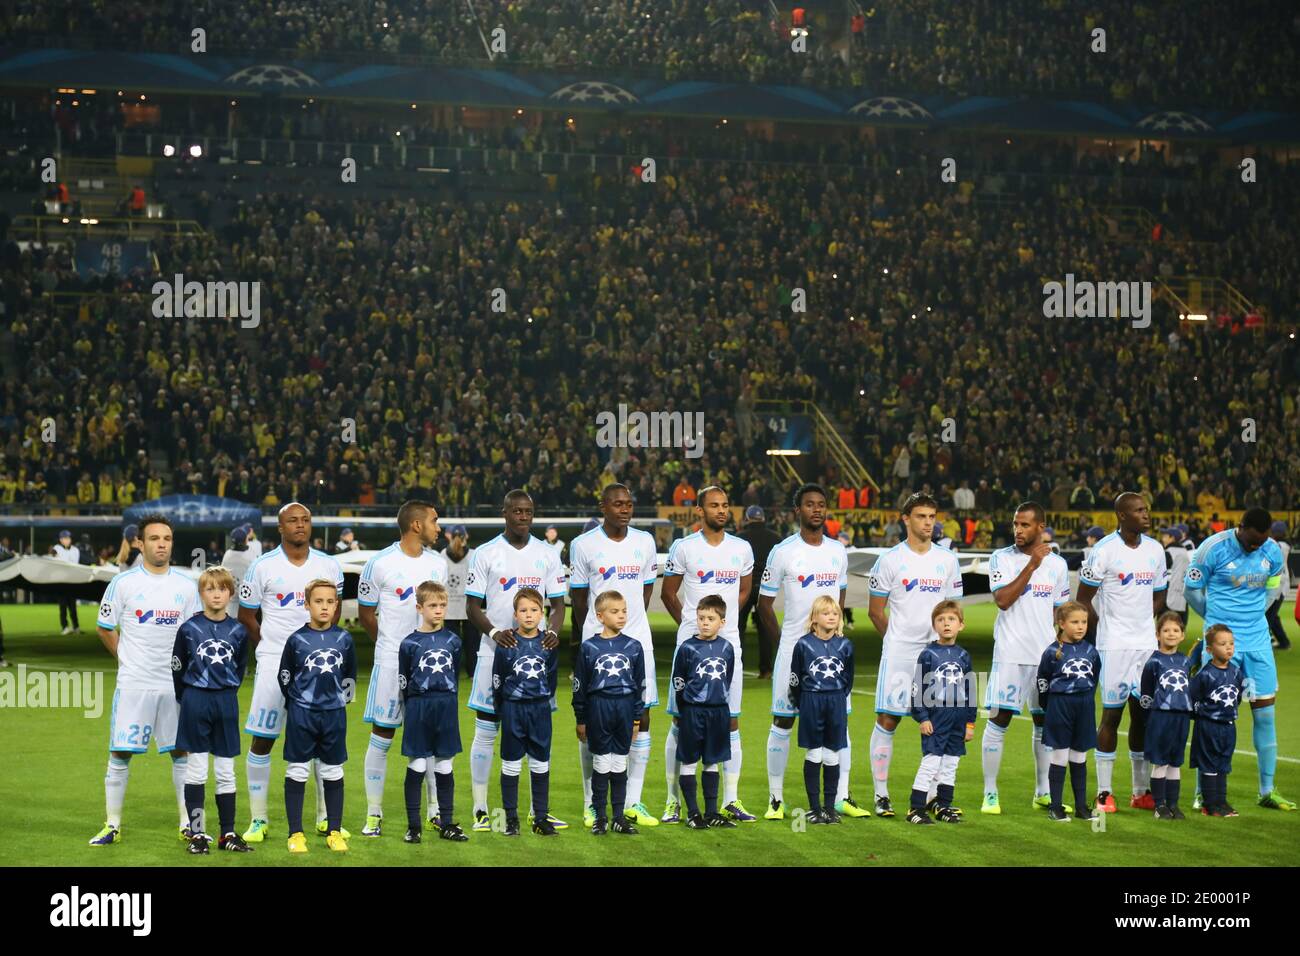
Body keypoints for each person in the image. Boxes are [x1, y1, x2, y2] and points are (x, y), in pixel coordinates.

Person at [90, 514, 202, 846]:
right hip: (134, 684)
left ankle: (187, 823)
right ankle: (112, 824)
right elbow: (104, 627)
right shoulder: (123, 584)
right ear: (140, 543)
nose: (162, 544)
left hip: (174, 686)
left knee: (181, 753)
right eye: (154, 538)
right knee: (120, 752)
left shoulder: (185, 586)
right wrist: (123, 657)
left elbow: (193, 634)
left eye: (166, 538)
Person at [237, 502, 345, 843]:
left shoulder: (328, 565)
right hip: (272, 663)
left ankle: (326, 819)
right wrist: (274, 648)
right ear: (280, 528)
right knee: (263, 738)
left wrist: (319, 645)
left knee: (320, 741)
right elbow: (246, 615)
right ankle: (258, 819)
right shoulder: (261, 566)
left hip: (319, 665)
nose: (300, 525)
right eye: (292, 521)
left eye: (306, 520)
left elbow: (335, 612)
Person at [464, 490, 566, 832]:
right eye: (517, 511)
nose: (523, 516)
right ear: (504, 512)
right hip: (493, 652)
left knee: (536, 735)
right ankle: (480, 808)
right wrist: (494, 633)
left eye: (529, 512)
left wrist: (551, 631)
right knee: (487, 729)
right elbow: (472, 607)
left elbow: (559, 603)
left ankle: (539, 811)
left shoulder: (547, 554)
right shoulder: (486, 553)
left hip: (535, 660)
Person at [1184, 507, 1293, 811]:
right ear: (1240, 527)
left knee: (1265, 714)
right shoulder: (1212, 548)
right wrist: (1217, 622)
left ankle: (1267, 790)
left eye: (1261, 542)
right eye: (1250, 542)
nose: (1255, 547)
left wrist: (1255, 616)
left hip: (1257, 640)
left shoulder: (1271, 551)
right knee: (1210, 716)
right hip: (1220, 641)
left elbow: (1273, 590)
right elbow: (1190, 590)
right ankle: (1202, 792)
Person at [759, 484, 855, 819]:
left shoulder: (837, 552)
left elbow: (839, 600)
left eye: (821, 505)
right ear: (797, 510)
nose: (816, 510)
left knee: (838, 722)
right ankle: (775, 798)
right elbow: (764, 606)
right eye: (809, 505)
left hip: (830, 654)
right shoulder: (782, 551)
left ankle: (841, 797)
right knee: (783, 720)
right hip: (793, 652)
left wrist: (831, 635)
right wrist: (789, 643)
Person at [660, 485, 755, 823]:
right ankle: (672, 801)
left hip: (729, 646)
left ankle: (731, 799)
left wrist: (722, 627)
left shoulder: (742, 548)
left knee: (730, 720)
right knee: (679, 720)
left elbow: (744, 590)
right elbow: (668, 593)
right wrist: (691, 625)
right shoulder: (684, 547)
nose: (721, 510)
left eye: (725, 505)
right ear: (699, 510)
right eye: (714, 505)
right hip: (691, 646)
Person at [568, 483, 659, 828]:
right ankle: (592, 804)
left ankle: (632, 802)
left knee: (643, 715)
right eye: (618, 503)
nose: (625, 508)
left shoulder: (645, 542)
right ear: (603, 506)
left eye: (629, 503)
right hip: (598, 643)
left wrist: (629, 624)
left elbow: (645, 590)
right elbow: (578, 598)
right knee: (593, 720)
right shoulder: (583, 544)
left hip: (638, 640)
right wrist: (592, 633)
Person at [866, 492, 963, 817]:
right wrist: (896, 640)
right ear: (906, 519)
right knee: (888, 719)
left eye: (932, 517)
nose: (927, 523)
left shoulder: (947, 561)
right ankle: (881, 795)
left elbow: (952, 610)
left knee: (939, 724)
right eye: (921, 516)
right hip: (900, 655)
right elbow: (876, 611)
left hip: (938, 658)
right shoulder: (891, 560)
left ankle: (934, 795)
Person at [356, 500, 448, 837]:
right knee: (382, 735)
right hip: (391, 662)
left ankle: (436, 813)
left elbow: (437, 613)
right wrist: (393, 646)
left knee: (432, 740)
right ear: (416, 525)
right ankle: (373, 814)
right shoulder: (379, 563)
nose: (439, 527)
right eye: (435, 521)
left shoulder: (437, 565)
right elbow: (367, 613)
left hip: (430, 665)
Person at [1076, 492, 1167, 813]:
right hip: (1113, 647)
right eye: (1139, 510)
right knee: (1111, 716)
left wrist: (1142, 621)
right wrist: (1108, 628)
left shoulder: (1156, 550)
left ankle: (1140, 791)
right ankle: (1104, 793)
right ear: (1122, 516)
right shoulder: (1104, 551)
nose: (1146, 514)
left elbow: (1159, 596)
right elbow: (1083, 600)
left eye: (1147, 509)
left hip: (1145, 647)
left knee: (1143, 717)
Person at [981, 503, 1072, 815]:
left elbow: (1061, 611)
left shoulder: (1058, 565)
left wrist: (1062, 648)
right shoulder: (1001, 558)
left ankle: (1042, 791)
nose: (1018, 530)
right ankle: (990, 792)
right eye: (1015, 524)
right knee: (998, 719)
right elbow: (1003, 600)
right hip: (1009, 652)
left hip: (1045, 656)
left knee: (1043, 723)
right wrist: (1032, 565)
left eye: (1025, 525)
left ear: (1041, 527)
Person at [171, 566, 252, 854]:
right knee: (196, 769)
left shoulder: (238, 630)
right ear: (201, 593)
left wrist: (225, 690)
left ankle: (227, 833)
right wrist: (189, 698)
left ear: (231, 594)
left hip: (226, 701)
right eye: (210, 588)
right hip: (195, 700)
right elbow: (177, 667)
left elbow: (241, 666)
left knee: (226, 770)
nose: (216, 594)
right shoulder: (189, 629)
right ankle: (197, 834)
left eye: (222, 589)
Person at [278, 578, 357, 853]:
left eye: (330, 602)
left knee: (333, 770)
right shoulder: (296, 640)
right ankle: (295, 833)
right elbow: (285, 677)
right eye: (318, 601)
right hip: (302, 713)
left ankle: (334, 831)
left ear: (337, 605)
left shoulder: (344, 638)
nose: (324, 607)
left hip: (334, 714)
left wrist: (337, 703)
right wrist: (299, 704)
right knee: (298, 770)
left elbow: (349, 677)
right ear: (307, 603)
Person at [397, 581, 467, 843]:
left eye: (442, 606)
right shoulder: (409, 643)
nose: (438, 611)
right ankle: (413, 826)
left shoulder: (453, 640)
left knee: (445, 765)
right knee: (416, 764)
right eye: (432, 606)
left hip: (446, 706)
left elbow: (455, 674)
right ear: (419, 607)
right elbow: (404, 680)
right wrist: (411, 708)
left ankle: (447, 823)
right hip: (418, 707)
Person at [573, 589, 646, 835]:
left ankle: (618, 817)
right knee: (602, 762)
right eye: (615, 612)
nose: (621, 616)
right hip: (599, 708)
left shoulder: (634, 646)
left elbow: (640, 686)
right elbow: (580, 687)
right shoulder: (589, 647)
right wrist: (581, 719)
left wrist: (637, 718)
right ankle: (599, 816)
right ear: (600, 616)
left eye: (624, 611)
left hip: (624, 708)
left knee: (619, 762)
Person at [492, 587, 560, 837]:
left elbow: (551, 679)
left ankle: (540, 818)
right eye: (523, 610)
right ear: (515, 614)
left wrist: (540, 700)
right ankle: (509, 819)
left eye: (534, 610)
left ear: (542, 613)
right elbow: (497, 680)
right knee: (510, 764)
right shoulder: (506, 643)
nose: (529, 615)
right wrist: (504, 709)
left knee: (540, 763)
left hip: (540, 710)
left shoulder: (548, 644)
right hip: (513, 709)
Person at [670, 593, 737, 830]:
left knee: (712, 762)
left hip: (718, 712)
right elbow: (678, 681)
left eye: (710, 618)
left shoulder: (727, 648)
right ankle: (693, 813)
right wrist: (685, 708)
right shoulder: (687, 647)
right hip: (693, 712)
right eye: (701, 618)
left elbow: (726, 679)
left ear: (722, 622)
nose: (705, 622)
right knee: (689, 761)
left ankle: (711, 812)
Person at [788, 595, 854, 825]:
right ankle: (814, 808)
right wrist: (805, 702)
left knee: (832, 754)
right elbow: (795, 679)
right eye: (826, 613)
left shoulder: (845, 645)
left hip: (835, 702)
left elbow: (848, 679)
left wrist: (836, 697)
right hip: (810, 701)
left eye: (835, 613)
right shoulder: (804, 644)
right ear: (814, 618)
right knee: (814, 753)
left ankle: (829, 808)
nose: (832, 617)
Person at [908, 600, 974, 825]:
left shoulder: (963, 656)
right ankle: (915, 809)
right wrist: (923, 717)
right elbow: (918, 688)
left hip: (958, 717)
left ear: (961, 625)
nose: (946, 624)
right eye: (941, 620)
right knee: (931, 763)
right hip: (936, 716)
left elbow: (970, 690)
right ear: (934, 625)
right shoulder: (928, 654)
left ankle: (943, 806)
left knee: (950, 765)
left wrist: (970, 723)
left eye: (951, 619)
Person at [1035, 602, 1101, 822]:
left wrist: (1086, 700)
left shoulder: (1091, 650)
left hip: (1084, 706)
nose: (1080, 626)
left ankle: (1081, 807)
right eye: (1075, 622)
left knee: (1080, 755)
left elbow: (1095, 677)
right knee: (1060, 755)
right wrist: (1050, 706)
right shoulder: (1052, 652)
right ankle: (1055, 807)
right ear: (1061, 623)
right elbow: (1042, 681)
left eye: (1084, 622)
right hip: (1059, 706)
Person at [1139, 612, 1194, 820]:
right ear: (1157, 634)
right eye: (1166, 630)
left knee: (1175, 762)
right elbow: (1146, 694)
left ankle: (1173, 804)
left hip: (1181, 717)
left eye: (1176, 630)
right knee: (1160, 761)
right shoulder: (1153, 662)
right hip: (1160, 717)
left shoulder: (1185, 661)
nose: (1171, 634)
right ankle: (1159, 805)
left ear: (1182, 635)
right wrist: (1150, 719)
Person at [1189, 624, 1246, 817]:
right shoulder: (1205, 675)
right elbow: (1192, 699)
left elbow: (1238, 698)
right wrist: (1203, 717)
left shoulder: (1236, 672)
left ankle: (1221, 802)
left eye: (1231, 643)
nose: (1229, 647)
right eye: (1222, 644)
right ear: (1209, 650)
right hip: (1208, 726)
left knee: (1223, 764)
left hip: (1229, 726)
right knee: (1209, 765)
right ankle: (1210, 804)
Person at [739, 505, 781, 678]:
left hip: (744, 588)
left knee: (738, 628)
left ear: (747, 519)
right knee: (766, 629)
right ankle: (766, 669)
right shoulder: (775, 538)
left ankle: (737, 667)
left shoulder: (739, 539)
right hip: (765, 588)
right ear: (763, 518)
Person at [441, 524, 478, 678]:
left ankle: (451, 671)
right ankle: (473, 672)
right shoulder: (474, 555)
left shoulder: (443, 554)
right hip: (469, 606)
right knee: (472, 643)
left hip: (449, 606)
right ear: (466, 536)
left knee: (450, 643)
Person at [1265, 521, 1291, 650]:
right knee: (1272, 616)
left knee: (1268, 616)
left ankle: (1264, 643)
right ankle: (1284, 642)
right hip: (1281, 583)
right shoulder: (1284, 545)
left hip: (1278, 585)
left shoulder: (1279, 546)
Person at [1160, 526, 1192, 628]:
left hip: (1167, 597)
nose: (1162, 539)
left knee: (1164, 629)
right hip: (1182, 598)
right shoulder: (1185, 553)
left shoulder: (1167, 553)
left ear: (1172, 538)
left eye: (1165, 536)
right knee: (1178, 629)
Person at [52, 529, 80, 634]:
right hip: (61, 581)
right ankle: (64, 627)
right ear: (60, 540)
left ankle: (76, 627)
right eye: (64, 538)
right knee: (62, 606)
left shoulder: (75, 550)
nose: (66, 540)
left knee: (73, 607)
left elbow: (73, 564)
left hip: (72, 581)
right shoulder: (57, 548)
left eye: (68, 538)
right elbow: (56, 562)